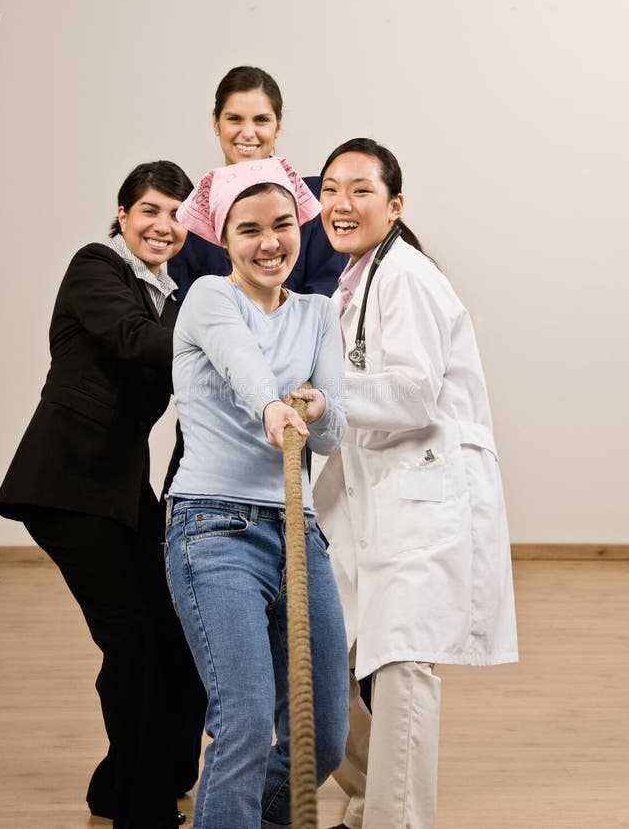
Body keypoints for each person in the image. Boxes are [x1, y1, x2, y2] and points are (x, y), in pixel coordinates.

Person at [311, 139, 519, 829]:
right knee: (323, 660)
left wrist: (322, 393)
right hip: (377, 503)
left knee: (400, 669)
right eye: (331, 189)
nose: (341, 203)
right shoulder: (354, 284)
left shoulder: (405, 277)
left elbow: (414, 395)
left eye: (360, 190)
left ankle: (395, 820)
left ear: (394, 205)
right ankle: (372, 796)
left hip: (421, 501)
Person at [0, 161, 199, 829]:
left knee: (175, 629)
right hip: (66, 482)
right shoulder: (96, 267)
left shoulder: (171, 297)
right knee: (133, 635)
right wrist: (228, 345)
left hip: (118, 487)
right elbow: (133, 341)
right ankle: (138, 804)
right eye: (149, 211)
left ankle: (138, 781)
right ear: (122, 215)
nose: (162, 226)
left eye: (175, 214)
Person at [165, 157, 350, 828]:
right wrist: (272, 408)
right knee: (243, 725)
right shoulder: (210, 298)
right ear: (223, 237)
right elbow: (242, 362)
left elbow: (331, 437)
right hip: (214, 530)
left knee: (323, 741)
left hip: (299, 534)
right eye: (249, 230)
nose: (269, 241)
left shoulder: (319, 312)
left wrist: (320, 401)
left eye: (280, 225)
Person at [167, 64, 348, 303]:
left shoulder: (313, 202)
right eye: (235, 119)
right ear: (215, 122)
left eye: (261, 120)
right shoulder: (192, 218)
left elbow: (326, 298)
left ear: (278, 126)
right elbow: (187, 311)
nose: (248, 132)